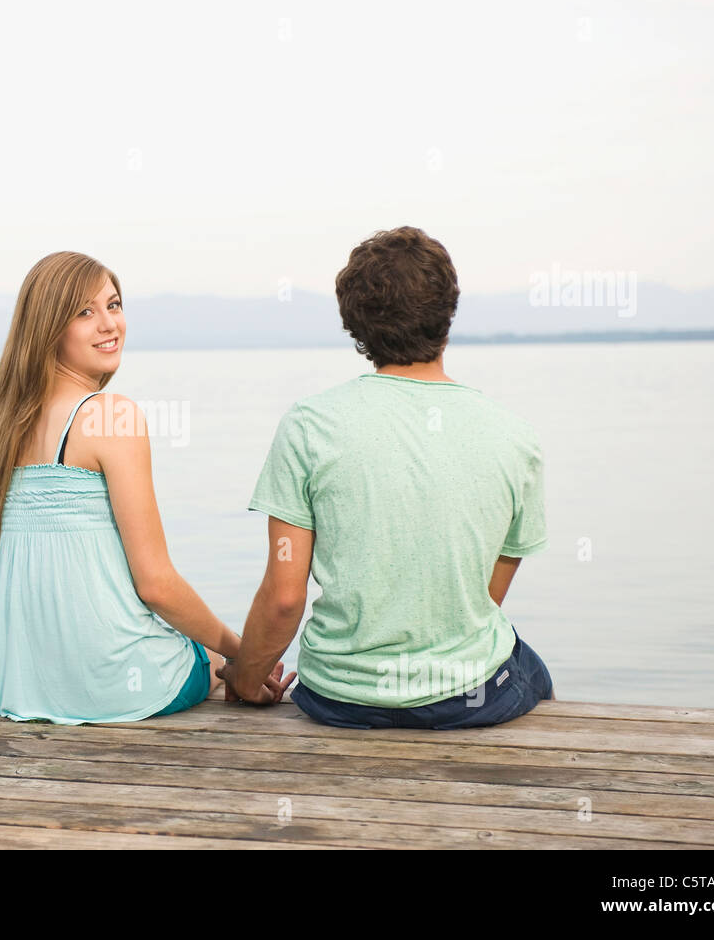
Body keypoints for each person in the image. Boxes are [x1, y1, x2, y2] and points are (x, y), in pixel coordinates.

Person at [216, 226, 556, 729]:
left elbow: (286, 597)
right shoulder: (515, 437)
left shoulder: (310, 425)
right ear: (449, 312)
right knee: (533, 674)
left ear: (355, 324)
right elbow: (484, 595)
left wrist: (246, 680)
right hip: (468, 695)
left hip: (339, 698)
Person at [0, 251, 290, 723]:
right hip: (114, 685)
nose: (108, 324)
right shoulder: (109, 415)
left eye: (114, 305)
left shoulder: (9, 425)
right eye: (84, 312)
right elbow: (156, 585)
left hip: (26, 688)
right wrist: (243, 654)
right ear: (49, 327)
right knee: (219, 661)